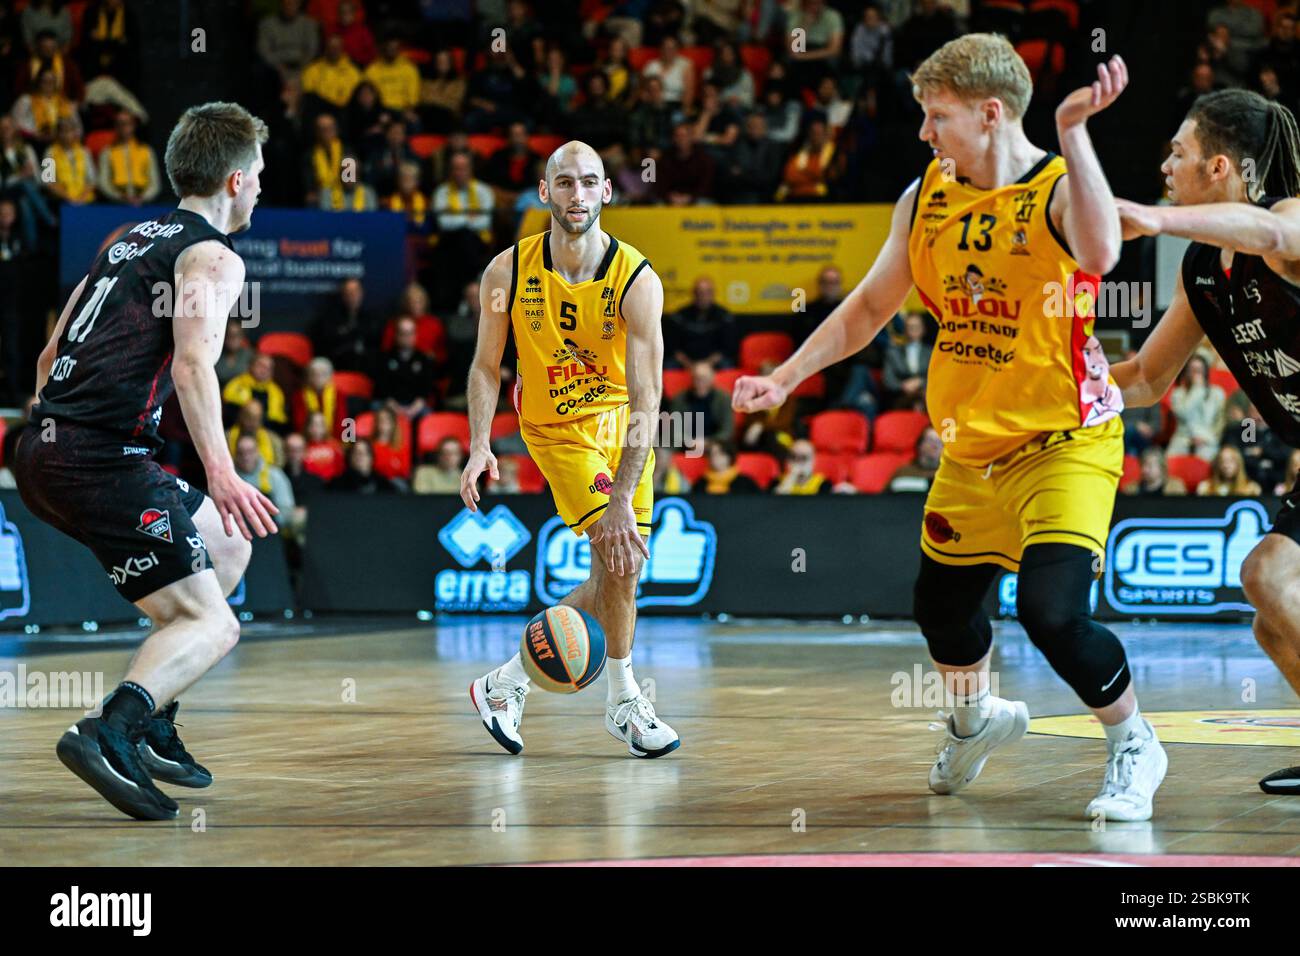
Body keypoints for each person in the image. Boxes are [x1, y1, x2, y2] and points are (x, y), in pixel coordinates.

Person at [733, 37, 1164, 820]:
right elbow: (868, 308)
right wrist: (786, 376)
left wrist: (1074, 131)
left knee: (1050, 612)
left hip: (1065, 439)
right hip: (972, 449)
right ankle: (976, 720)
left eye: (938, 117)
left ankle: (1134, 742)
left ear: (991, 114)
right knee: (941, 612)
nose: (926, 133)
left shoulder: (1057, 190)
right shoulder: (925, 195)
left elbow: (1101, 253)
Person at [13, 102, 278, 820]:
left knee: (226, 543)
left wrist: (62, 433)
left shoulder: (130, 239)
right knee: (216, 625)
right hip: (97, 457)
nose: (259, 188)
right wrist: (221, 475)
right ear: (232, 181)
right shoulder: (214, 256)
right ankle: (109, 732)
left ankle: (154, 717)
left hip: (45, 448)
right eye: (256, 176)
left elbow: (47, 356)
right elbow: (194, 366)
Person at [462, 139, 679, 759]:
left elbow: (647, 403)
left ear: (607, 192)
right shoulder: (507, 271)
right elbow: (485, 367)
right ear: (544, 192)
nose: (576, 195)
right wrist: (480, 443)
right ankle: (622, 701)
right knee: (620, 562)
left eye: (588, 182)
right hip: (556, 429)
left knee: (624, 565)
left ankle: (502, 684)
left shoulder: (637, 280)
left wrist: (621, 499)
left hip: (622, 427)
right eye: (564, 183)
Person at [1112, 89, 1300, 793]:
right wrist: (1042, 378)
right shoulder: (1202, 270)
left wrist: (1153, 220)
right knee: (1271, 614)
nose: (1165, 164)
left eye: (1178, 153)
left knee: (1270, 579)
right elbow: (1143, 378)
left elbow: (1279, 239)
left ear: (1220, 167)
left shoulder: (1288, 221)